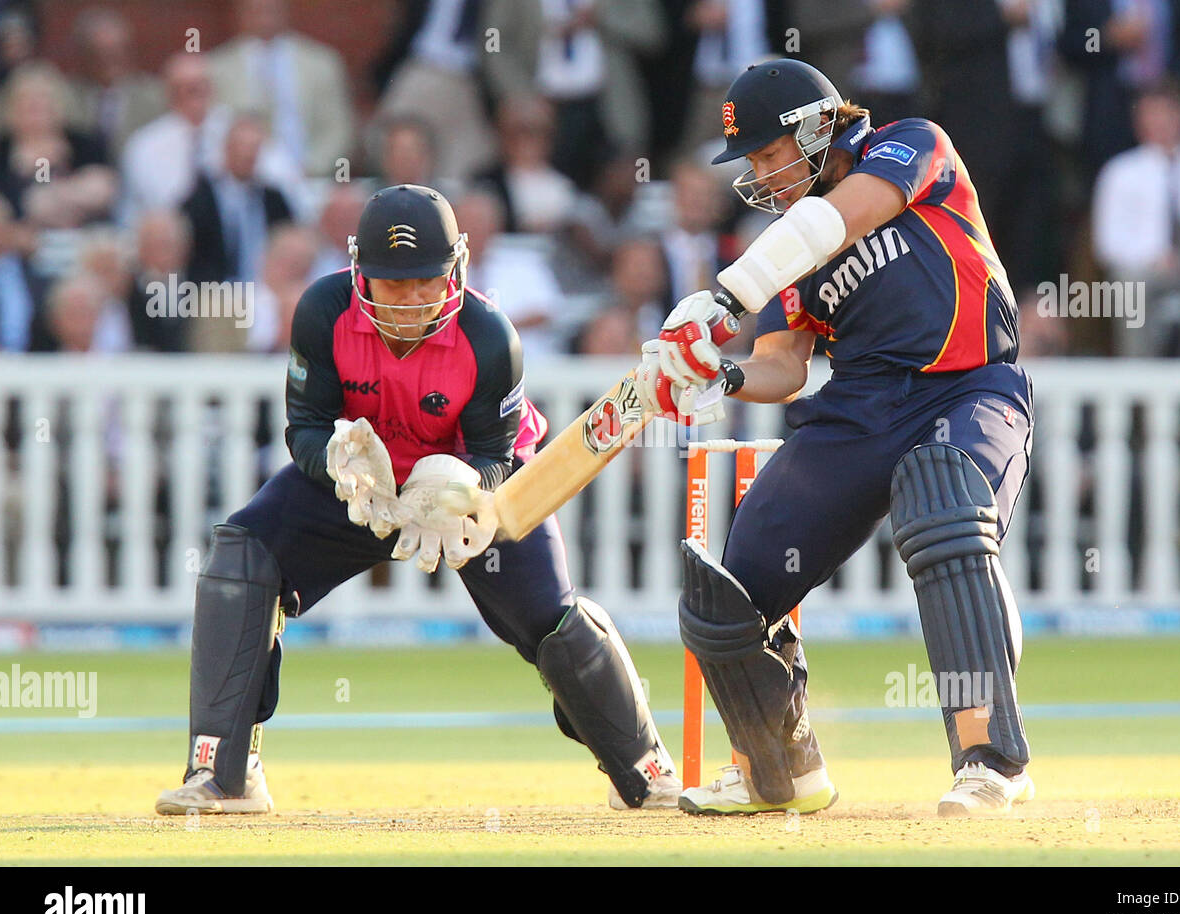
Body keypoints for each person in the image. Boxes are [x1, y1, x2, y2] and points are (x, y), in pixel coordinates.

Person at [155, 184, 680, 815]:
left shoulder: (489, 336)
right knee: (241, 559)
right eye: (391, 283)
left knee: (551, 620)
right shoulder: (323, 311)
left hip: (470, 495)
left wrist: (457, 488)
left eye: (425, 282)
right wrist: (338, 468)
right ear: (360, 274)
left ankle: (647, 772)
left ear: (454, 270)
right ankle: (222, 775)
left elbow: (494, 453)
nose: (408, 302)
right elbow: (305, 428)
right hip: (360, 490)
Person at [634, 59, 1036, 817]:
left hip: (968, 385)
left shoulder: (913, 146)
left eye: (764, 155)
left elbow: (846, 215)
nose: (757, 176)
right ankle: (778, 768)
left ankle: (990, 761)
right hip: (859, 410)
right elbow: (781, 366)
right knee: (729, 595)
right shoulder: (784, 252)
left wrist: (726, 294)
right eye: (747, 162)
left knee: (942, 511)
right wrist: (711, 374)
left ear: (816, 129)